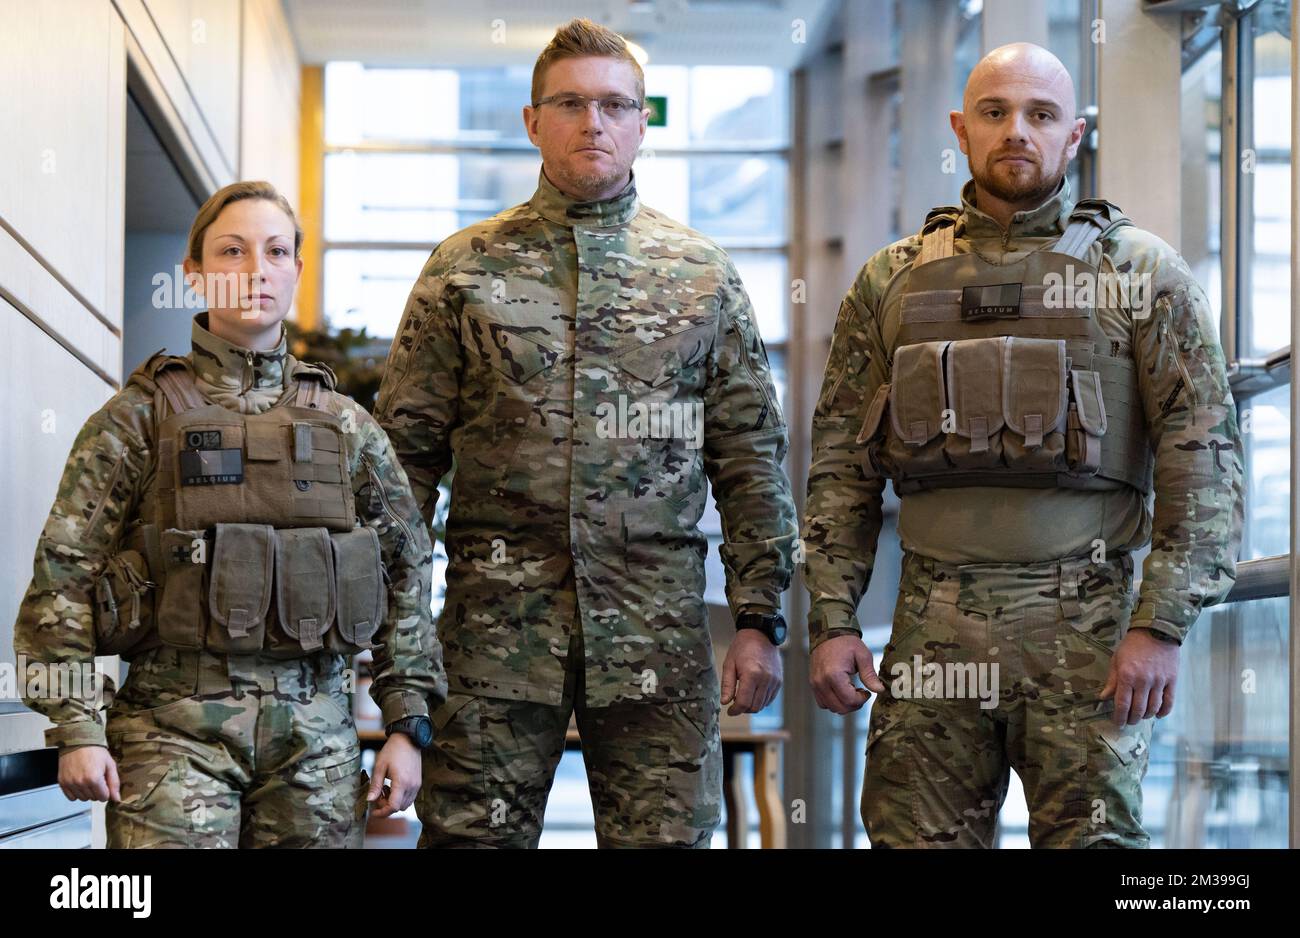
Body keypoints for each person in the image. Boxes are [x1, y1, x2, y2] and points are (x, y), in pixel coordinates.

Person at [803, 43, 1243, 848]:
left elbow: (1203, 456)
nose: (1017, 132)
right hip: (933, 623)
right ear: (959, 129)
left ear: (1073, 137)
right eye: (995, 112)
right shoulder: (890, 281)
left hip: (1088, 631)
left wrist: (1162, 627)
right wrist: (832, 621)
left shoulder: (1139, 273)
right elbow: (840, 466)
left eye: (1041, 116)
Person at [375, 18, 797, 848]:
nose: (592, 122)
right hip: (494, 638)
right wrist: (403, 653)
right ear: (533, 121)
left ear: (645, 122)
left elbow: (750, 459)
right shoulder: (464, 268)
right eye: (570, 103)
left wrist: (759, 617)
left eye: (614, 104)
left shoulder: (701, 274)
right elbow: (401, 474)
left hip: (658, 636)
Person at [13, 180, 445, 848]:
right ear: (195, 275)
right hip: (170, 734)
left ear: (296, 271)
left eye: (275, 252)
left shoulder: (347, 427)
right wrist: (77, 728)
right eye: (232, 251)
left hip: (319, 743)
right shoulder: (137, 419)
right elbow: (62, 578)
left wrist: (405, 725)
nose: (255, 271)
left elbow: (408, 570)